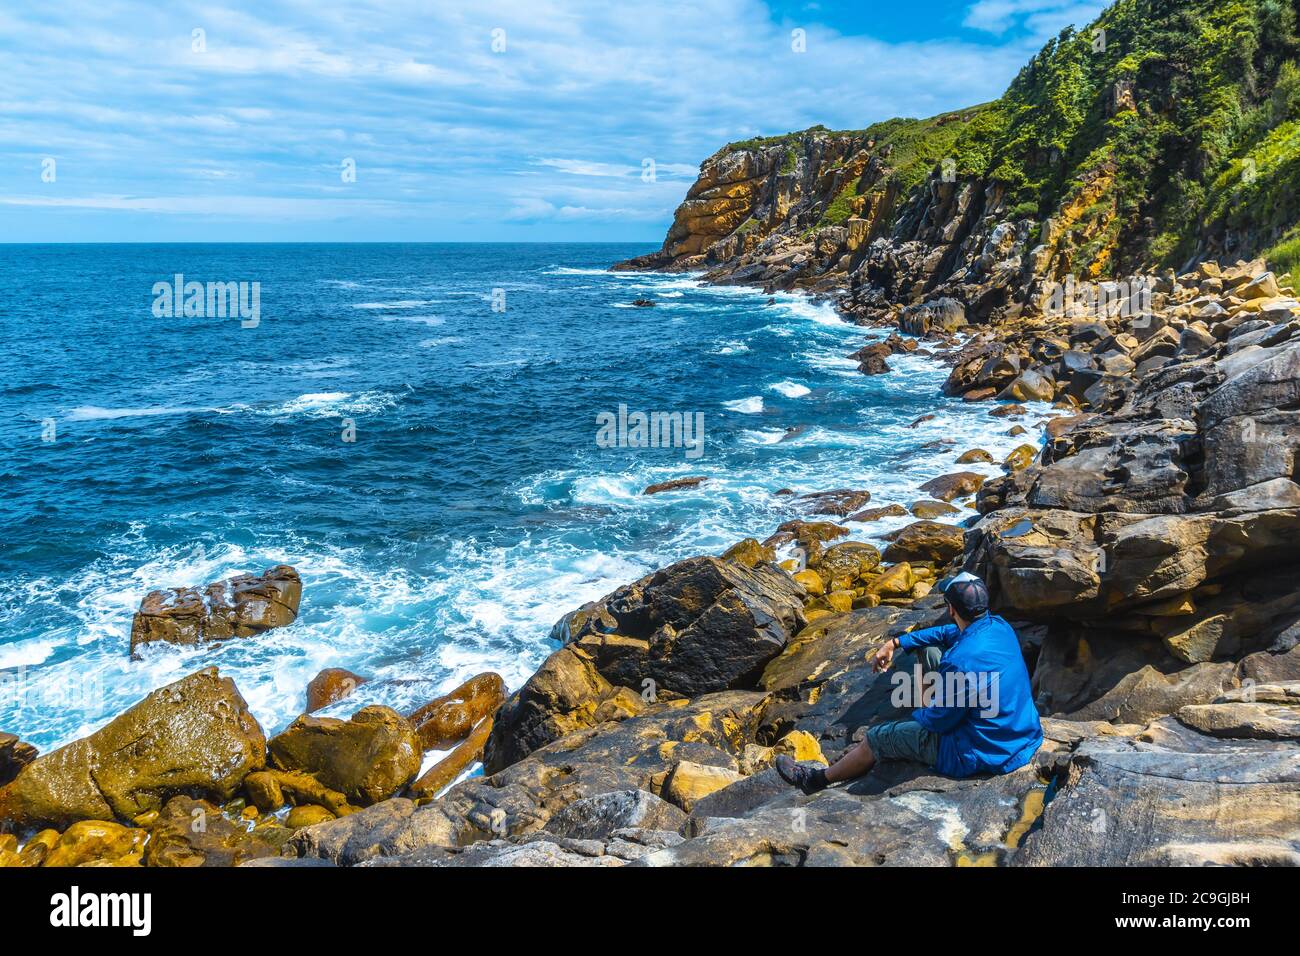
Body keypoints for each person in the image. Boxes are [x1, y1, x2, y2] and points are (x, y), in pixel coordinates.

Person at [775, 571, 1042, 794]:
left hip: (979, 752)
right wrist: (896, 642)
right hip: (1019, 733)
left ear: (951, 609)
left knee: (877, 737)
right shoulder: (998, 626)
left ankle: (814, 780)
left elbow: (939, 722)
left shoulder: (960, 661)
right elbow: (947, 632)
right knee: (929, 650)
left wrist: (918, 718)